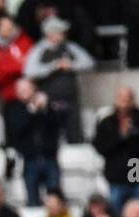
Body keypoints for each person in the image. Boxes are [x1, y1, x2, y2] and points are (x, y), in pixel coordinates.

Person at [23, 14, 93, 143]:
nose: (63, 34)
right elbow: (29, 71)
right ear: (50, 33)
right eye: (60, 31)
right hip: (47, 101)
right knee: (50, 136)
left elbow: (89, 63)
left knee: (74, 135)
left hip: (71, 100)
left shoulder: (70, 47)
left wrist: (71, 65)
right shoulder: (39, 50)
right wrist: (53, 66)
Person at [94, 87, 139, 211]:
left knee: (138, 210)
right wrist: (120, 136)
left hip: (137, 175)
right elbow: (100, 147)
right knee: (117, 212)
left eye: (127, 98)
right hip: (116, 177)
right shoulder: (107, 122)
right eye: (121, 98)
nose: (124, 101)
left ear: (133, 100)